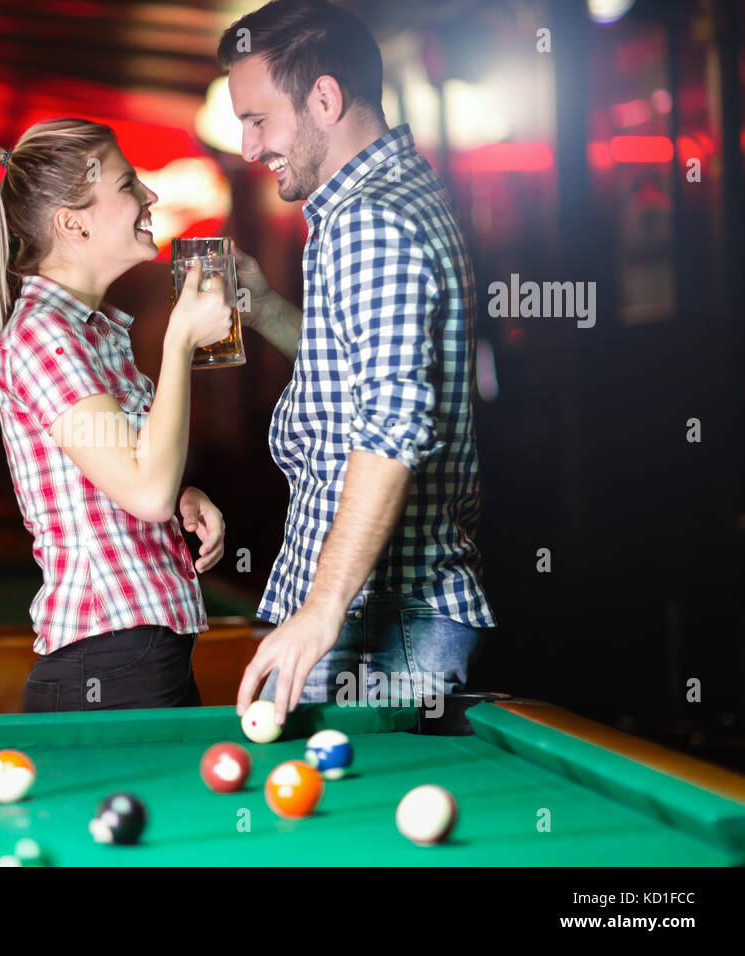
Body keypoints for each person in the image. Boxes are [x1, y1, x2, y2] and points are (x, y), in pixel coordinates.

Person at [219, 0, 497, 723]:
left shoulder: (368, 218)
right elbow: (364, 372)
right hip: (382, 615)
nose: (248, 147)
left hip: (375, 620)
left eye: (257, 119)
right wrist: (268, 310)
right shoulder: (399, 192)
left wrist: (320, 609)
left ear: (325, 97)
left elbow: (393, 427)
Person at [0, 118, 234, 711]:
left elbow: (138, 484)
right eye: (129, 184)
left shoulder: (89, 331)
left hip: (138, 652)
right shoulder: (43, 337)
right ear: (73, 222)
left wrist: (180, 492)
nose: (150, 197)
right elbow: (146, 494)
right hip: (110, 662)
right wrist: (180, 341)